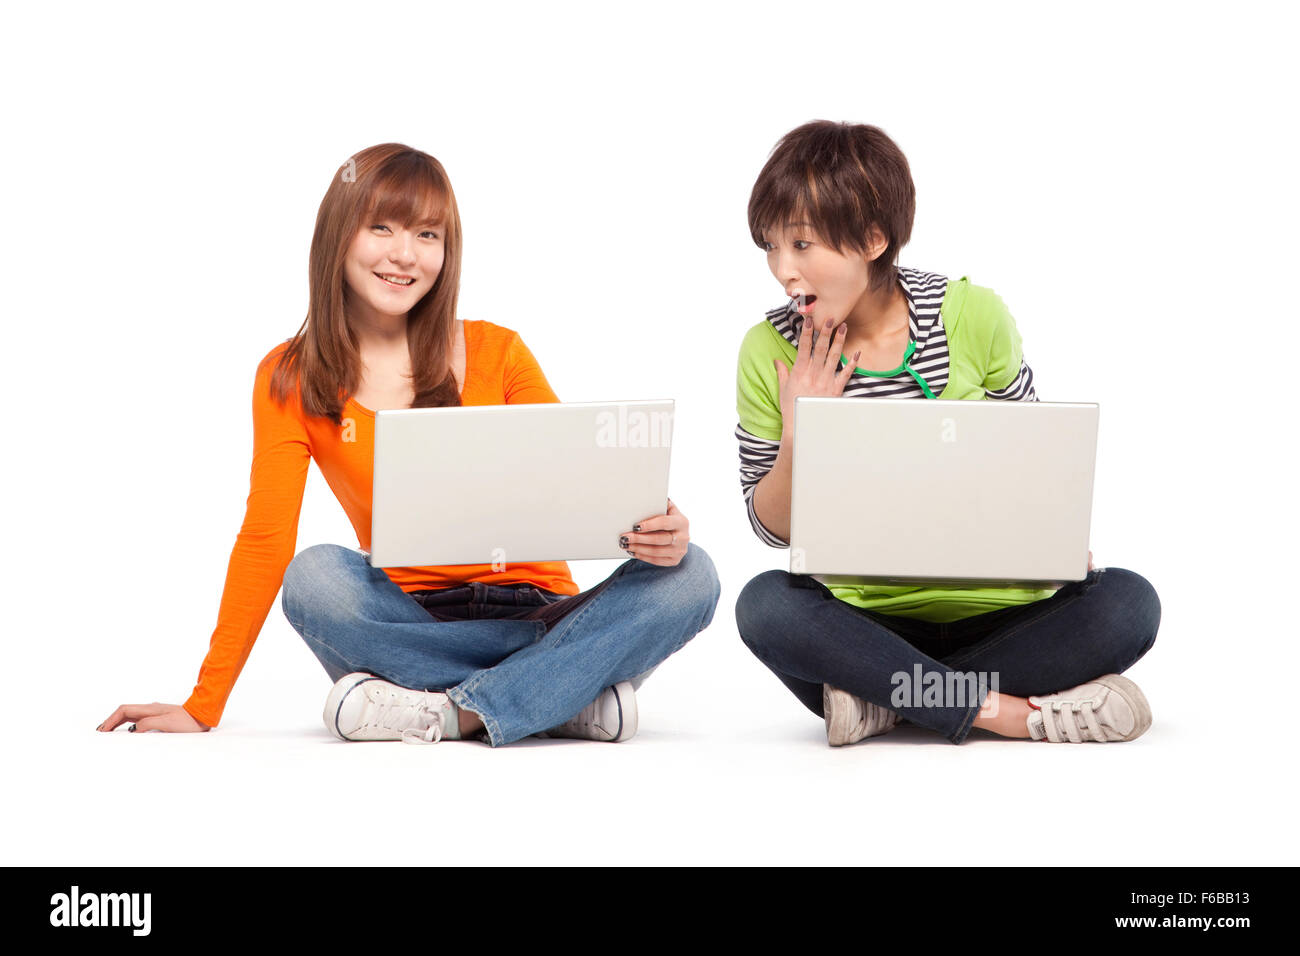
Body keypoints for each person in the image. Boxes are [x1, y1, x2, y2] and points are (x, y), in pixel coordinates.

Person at [98, 143, 720, 746]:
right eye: (383, 228)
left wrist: (655, 526)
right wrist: (204, 704)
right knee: (314, 578)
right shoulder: (288, 376)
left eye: (428, 235)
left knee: (691, 576)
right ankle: (562, 694)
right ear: (338, 235)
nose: (405, 255)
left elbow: (578, 479)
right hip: (407, 618)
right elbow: (266, 538)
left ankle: (458, 712)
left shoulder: (497, 350)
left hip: (541, 612)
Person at [733, 120, 1159, 746]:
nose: (781, 269)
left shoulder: (972, 316)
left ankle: (886, 699)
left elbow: (1037, 462)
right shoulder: (768, 349)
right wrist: (799, 435)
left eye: (801, 245)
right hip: (866, 623)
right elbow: (772, 530)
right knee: (765, 606)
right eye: (771, 247)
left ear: (873, 239)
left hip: (1006, 616)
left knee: (1129, 603)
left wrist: (1055, 538)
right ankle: (1013, 713)